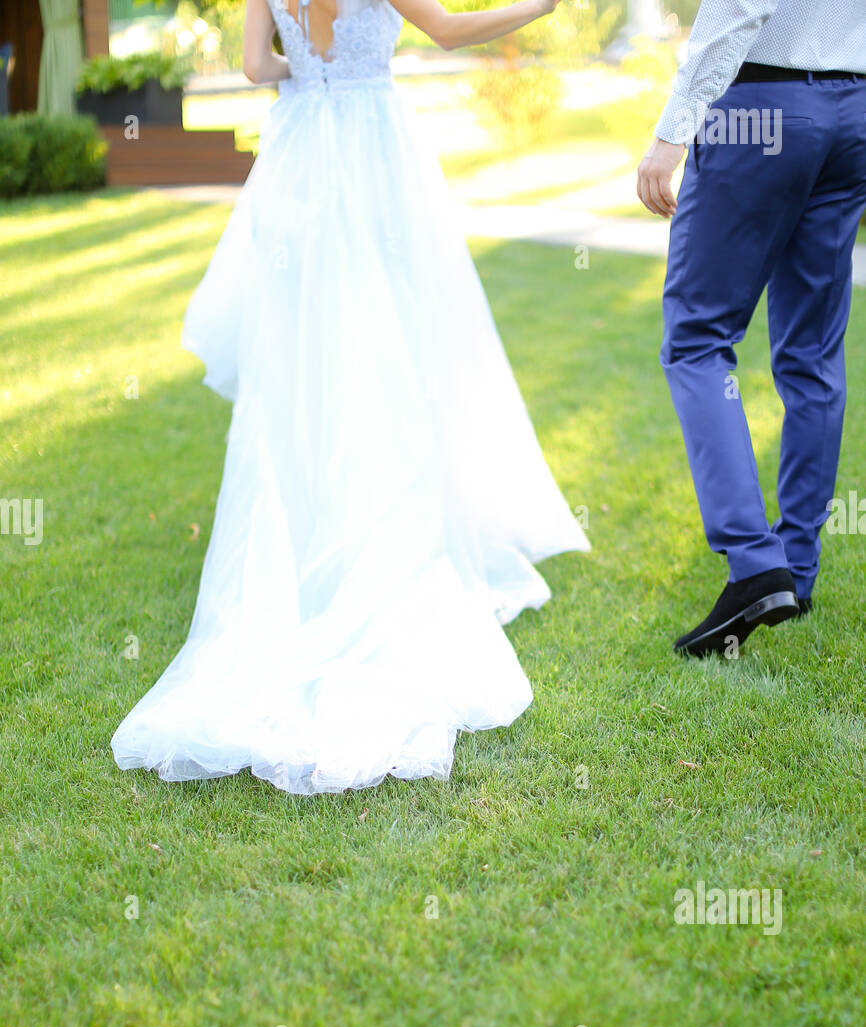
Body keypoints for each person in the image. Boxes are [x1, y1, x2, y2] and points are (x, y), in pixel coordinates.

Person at [111, 0, 588, 795]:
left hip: (299, 158)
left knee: (307, 350)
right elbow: (450, 30)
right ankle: (385, 513)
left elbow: (257, 69)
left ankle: (314, 519)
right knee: (398, 339)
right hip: (375, 153)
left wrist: (306, 67)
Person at [637, 0, 866, 656]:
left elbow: (743, 3)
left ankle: (755, 563)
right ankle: (796, 567)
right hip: (854, 110)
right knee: (814, 353)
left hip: (761, 107)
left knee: (697, 338)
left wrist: (674, 126)